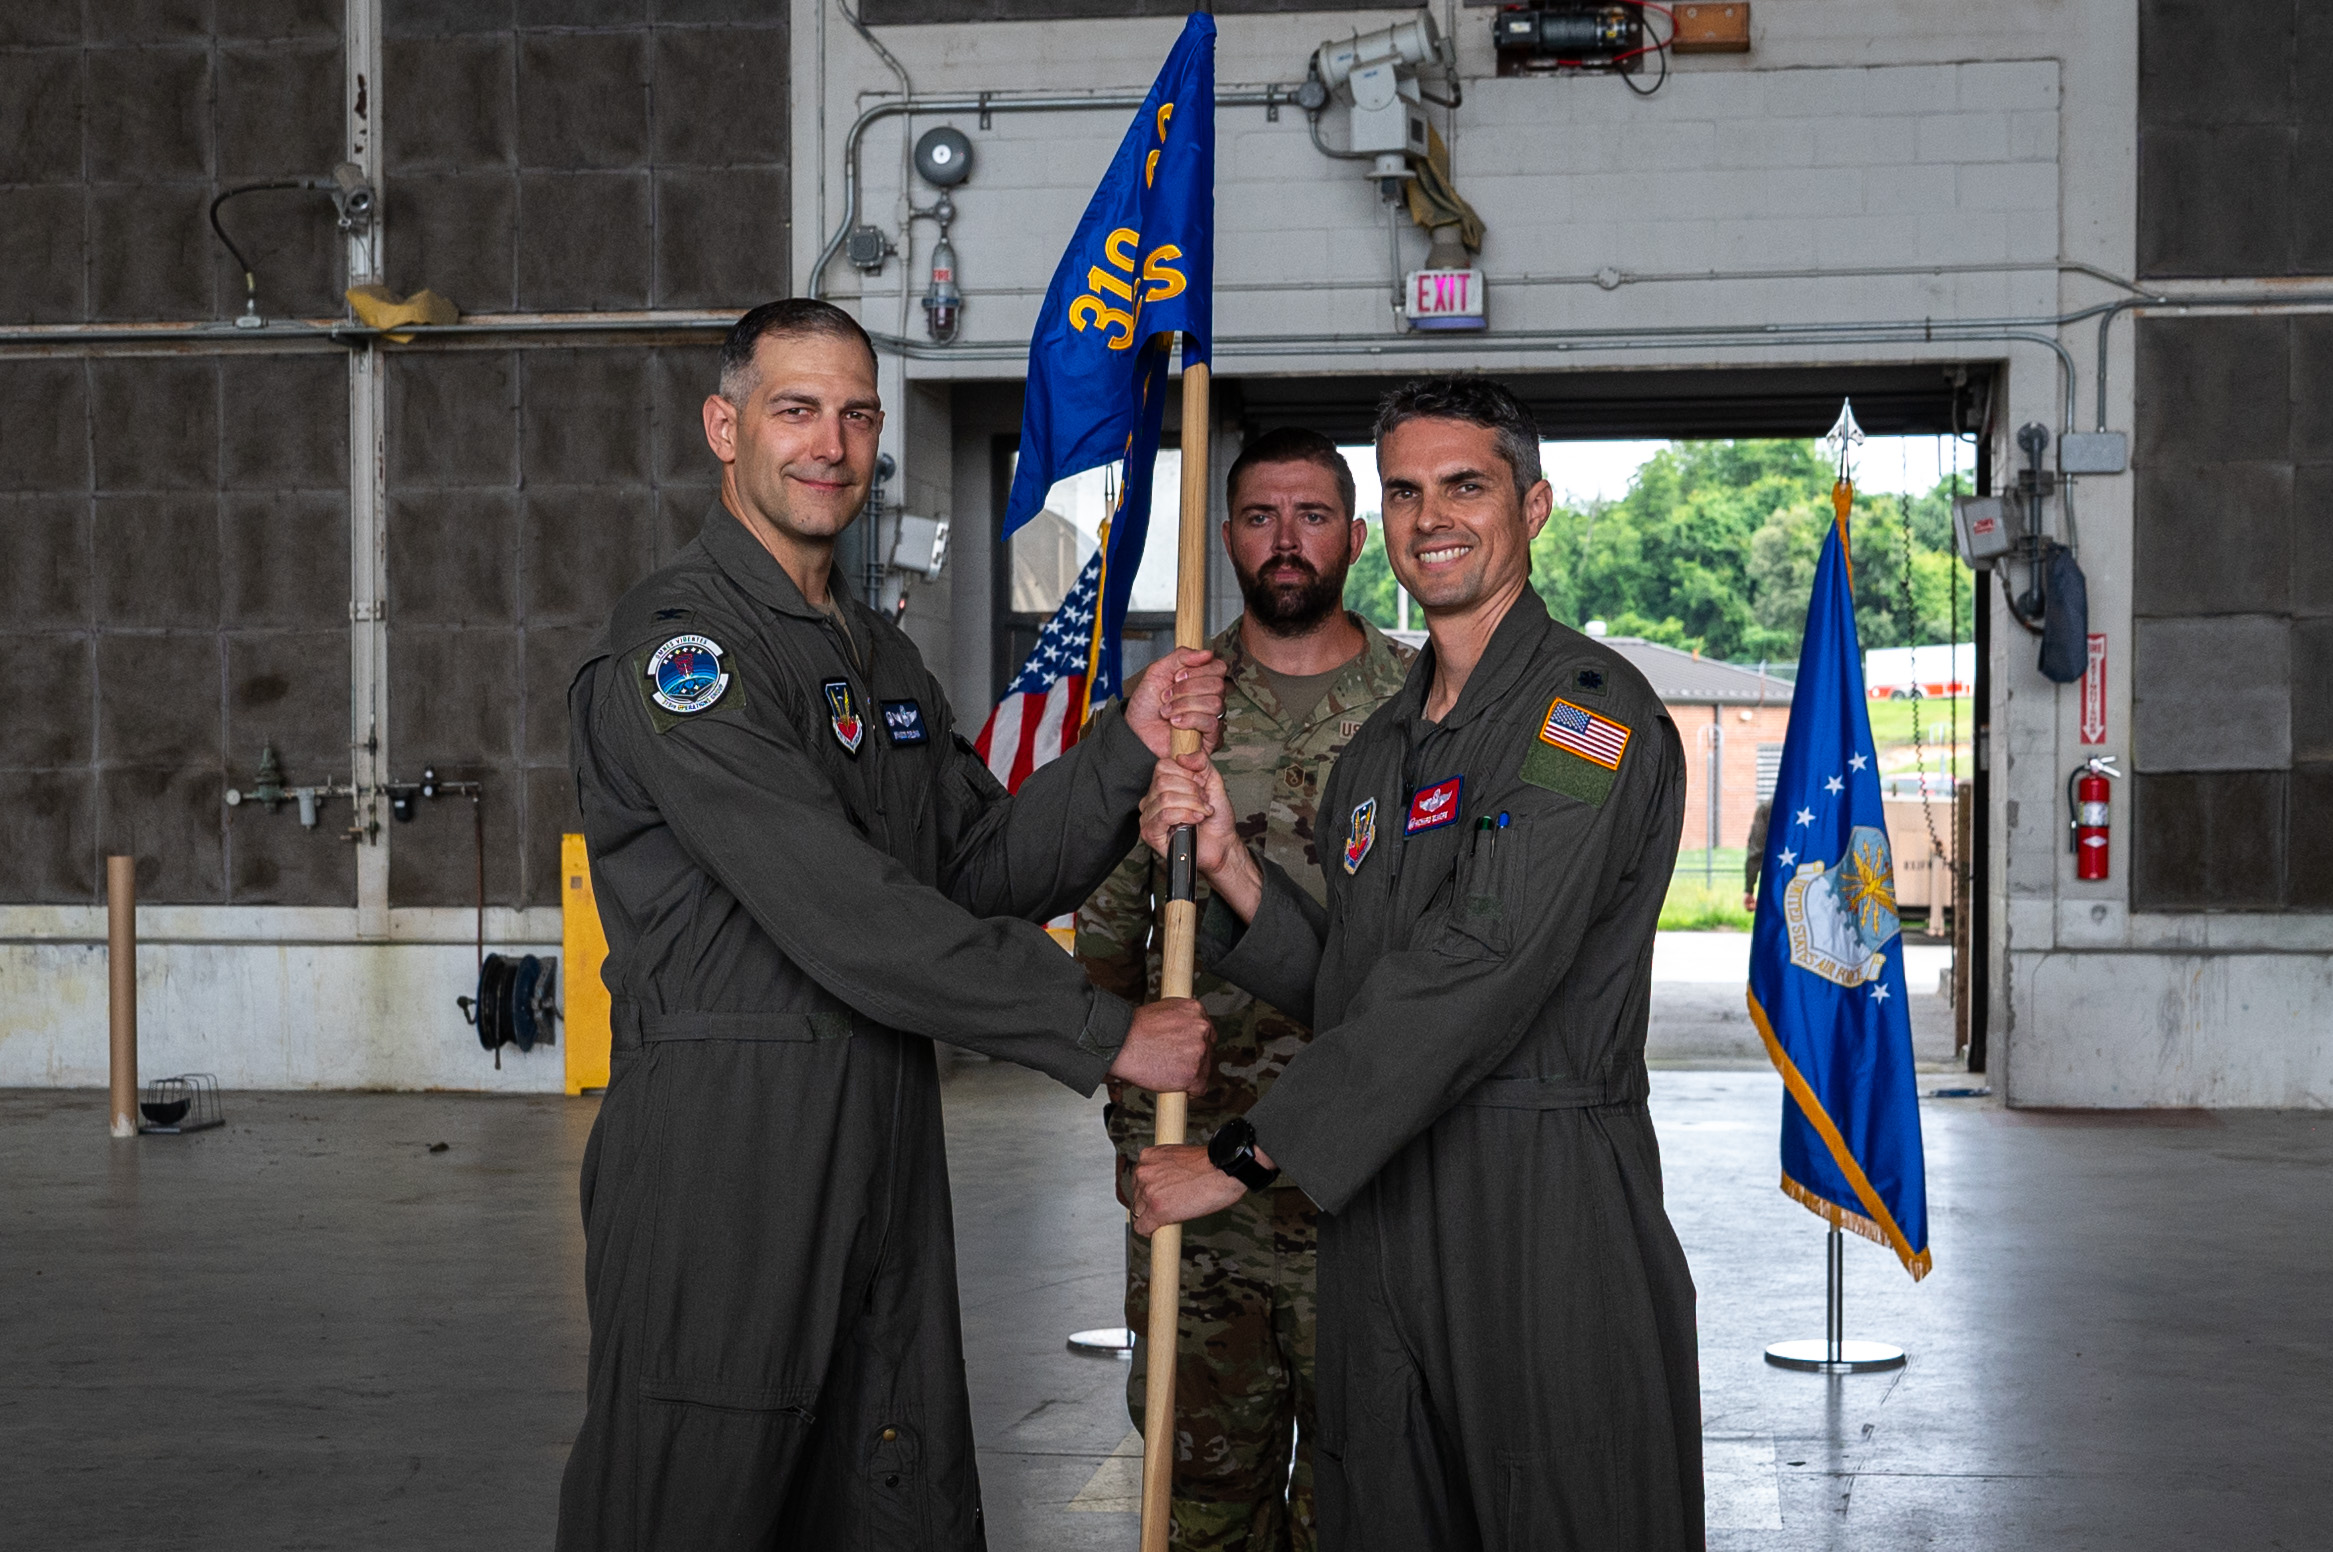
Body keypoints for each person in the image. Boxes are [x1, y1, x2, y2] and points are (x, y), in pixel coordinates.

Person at [557, 298, 1227, 1551]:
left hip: (879, 1119)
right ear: (724, 427)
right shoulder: (683, 649)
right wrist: (1099, 1030)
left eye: (856, 414)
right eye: (794, 409)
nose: (832, 442)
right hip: (726, 1137)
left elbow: (974, 864)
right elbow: (844, 910)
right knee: (701, 1480)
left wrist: (1124, 747)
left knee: (882, 1474)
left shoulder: (872, 658)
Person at [1129, 377, 1703, 1550]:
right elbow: (1359, 980)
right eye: (1402, 490)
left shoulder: (1582, 715)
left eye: (1463, 486)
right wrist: (1235, 868)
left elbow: (1476, 964)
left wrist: (1242, 1152)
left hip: (1533, 1199)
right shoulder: (1381, 747)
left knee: (1559, 1507)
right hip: (1384, 1199)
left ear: (1530, 507)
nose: (1429, 516)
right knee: (1386, 1506)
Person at [1077, 427, 1414, 1552]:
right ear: (1224, 536)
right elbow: (1107, 945)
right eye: (1261, 516)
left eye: (1312, 515)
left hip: (1366, 1198)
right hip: (1195, 1177)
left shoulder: (1422, 711)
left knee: (1362, 1502)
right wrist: (1133, 1136)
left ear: (1354, 538)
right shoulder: (1172, 706)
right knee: (1198, 1509)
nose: (1286, 540)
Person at [1745, 796, 1773, 911]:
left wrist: (1749, 889)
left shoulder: (1768, 807)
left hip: (1776, 882)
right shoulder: (1824, 805)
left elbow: (1756, 851)